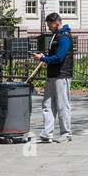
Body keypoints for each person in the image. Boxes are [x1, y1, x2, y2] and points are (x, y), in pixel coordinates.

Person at [32, 12, 73, 142]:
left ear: (57, 23)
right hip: (53, 74)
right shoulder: (57, 35)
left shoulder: (64, 37)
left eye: (50, 26)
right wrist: (45, 57)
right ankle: (47, 133)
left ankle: (66, 133)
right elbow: (55, 55)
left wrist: (43, 58)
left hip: (61, 74)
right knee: (47, 104)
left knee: (62, 105)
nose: (49, 28)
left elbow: (60, 57)